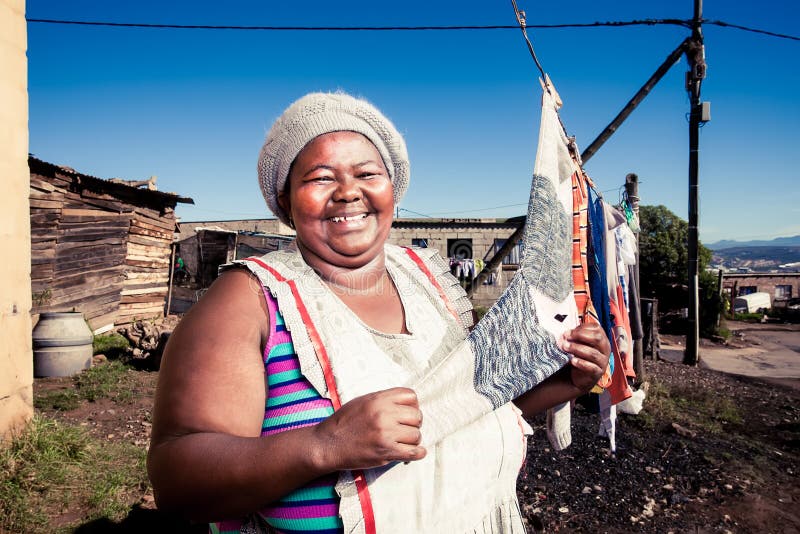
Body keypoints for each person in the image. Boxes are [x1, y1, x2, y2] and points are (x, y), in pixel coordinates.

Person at [147, 92, 610, 533]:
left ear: (392, 189)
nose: (348, 192)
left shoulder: (430, 282)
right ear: (286, 200)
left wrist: (564, 383)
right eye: (319, 177)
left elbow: (460, 411)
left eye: (367, 174)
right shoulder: (250, 299)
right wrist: (324, 444)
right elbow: (178, 482)